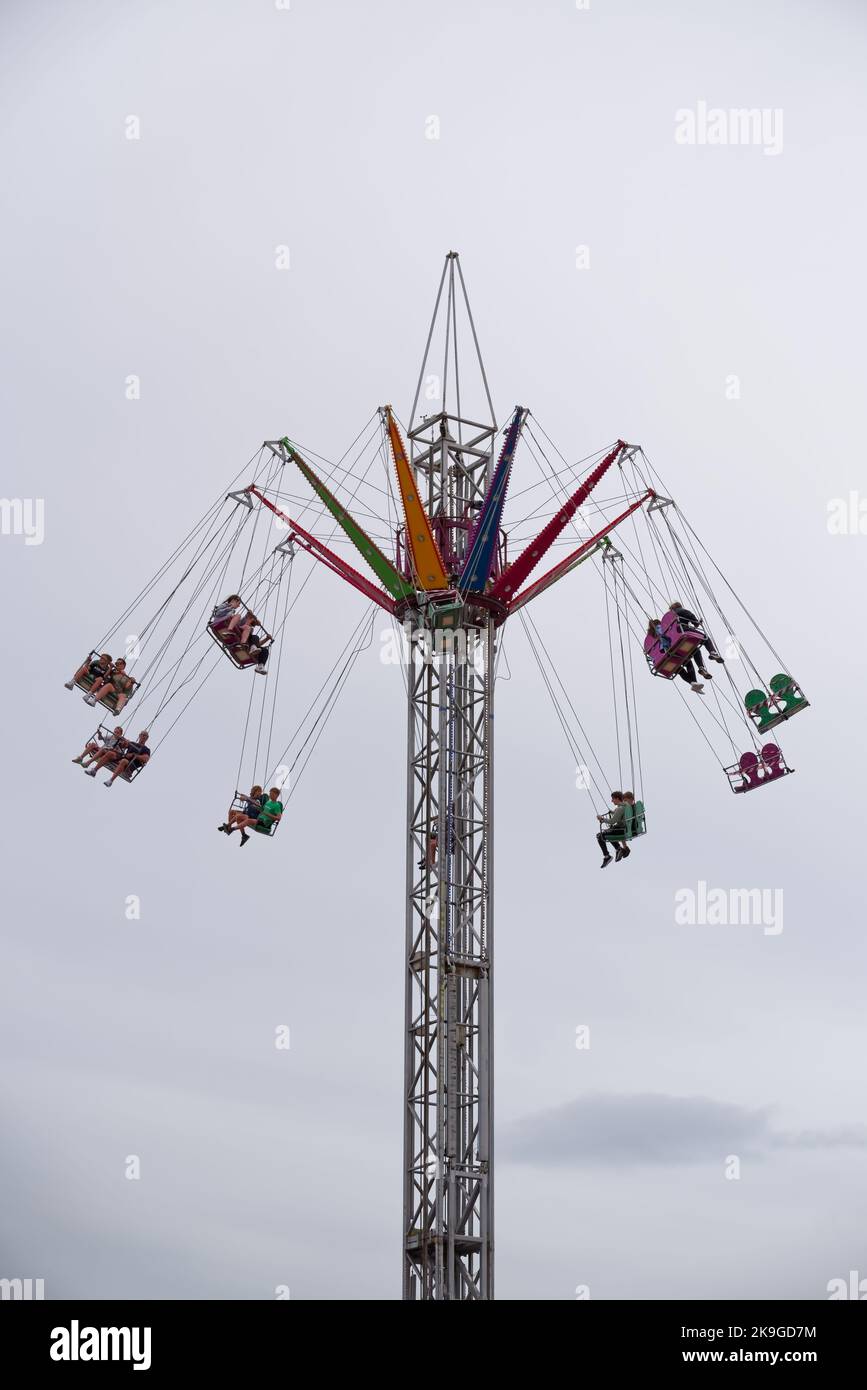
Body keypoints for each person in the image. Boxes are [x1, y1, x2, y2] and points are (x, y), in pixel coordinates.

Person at [669, 600, 724, 675]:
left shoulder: (668, 618)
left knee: (695, 650)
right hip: (684, 631)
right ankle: (712, 652)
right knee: (705, 637)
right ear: (679, 606)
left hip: (675, 639)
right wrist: (696, 623)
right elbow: (690, 616)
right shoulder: (681, 610)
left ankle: (701, 668)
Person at [596, 792, 626, 868]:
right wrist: (613, 812)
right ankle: (618, 849)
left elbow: (612, 821)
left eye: (613, 799)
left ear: (617, 798)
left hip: (621, 830)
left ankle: (607, 856)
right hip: (622, 828)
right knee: (607, 832)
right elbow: (620, 816)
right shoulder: (624, 806)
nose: (612, 801)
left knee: (600, 836)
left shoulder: (620, 808)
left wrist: (602, 819)